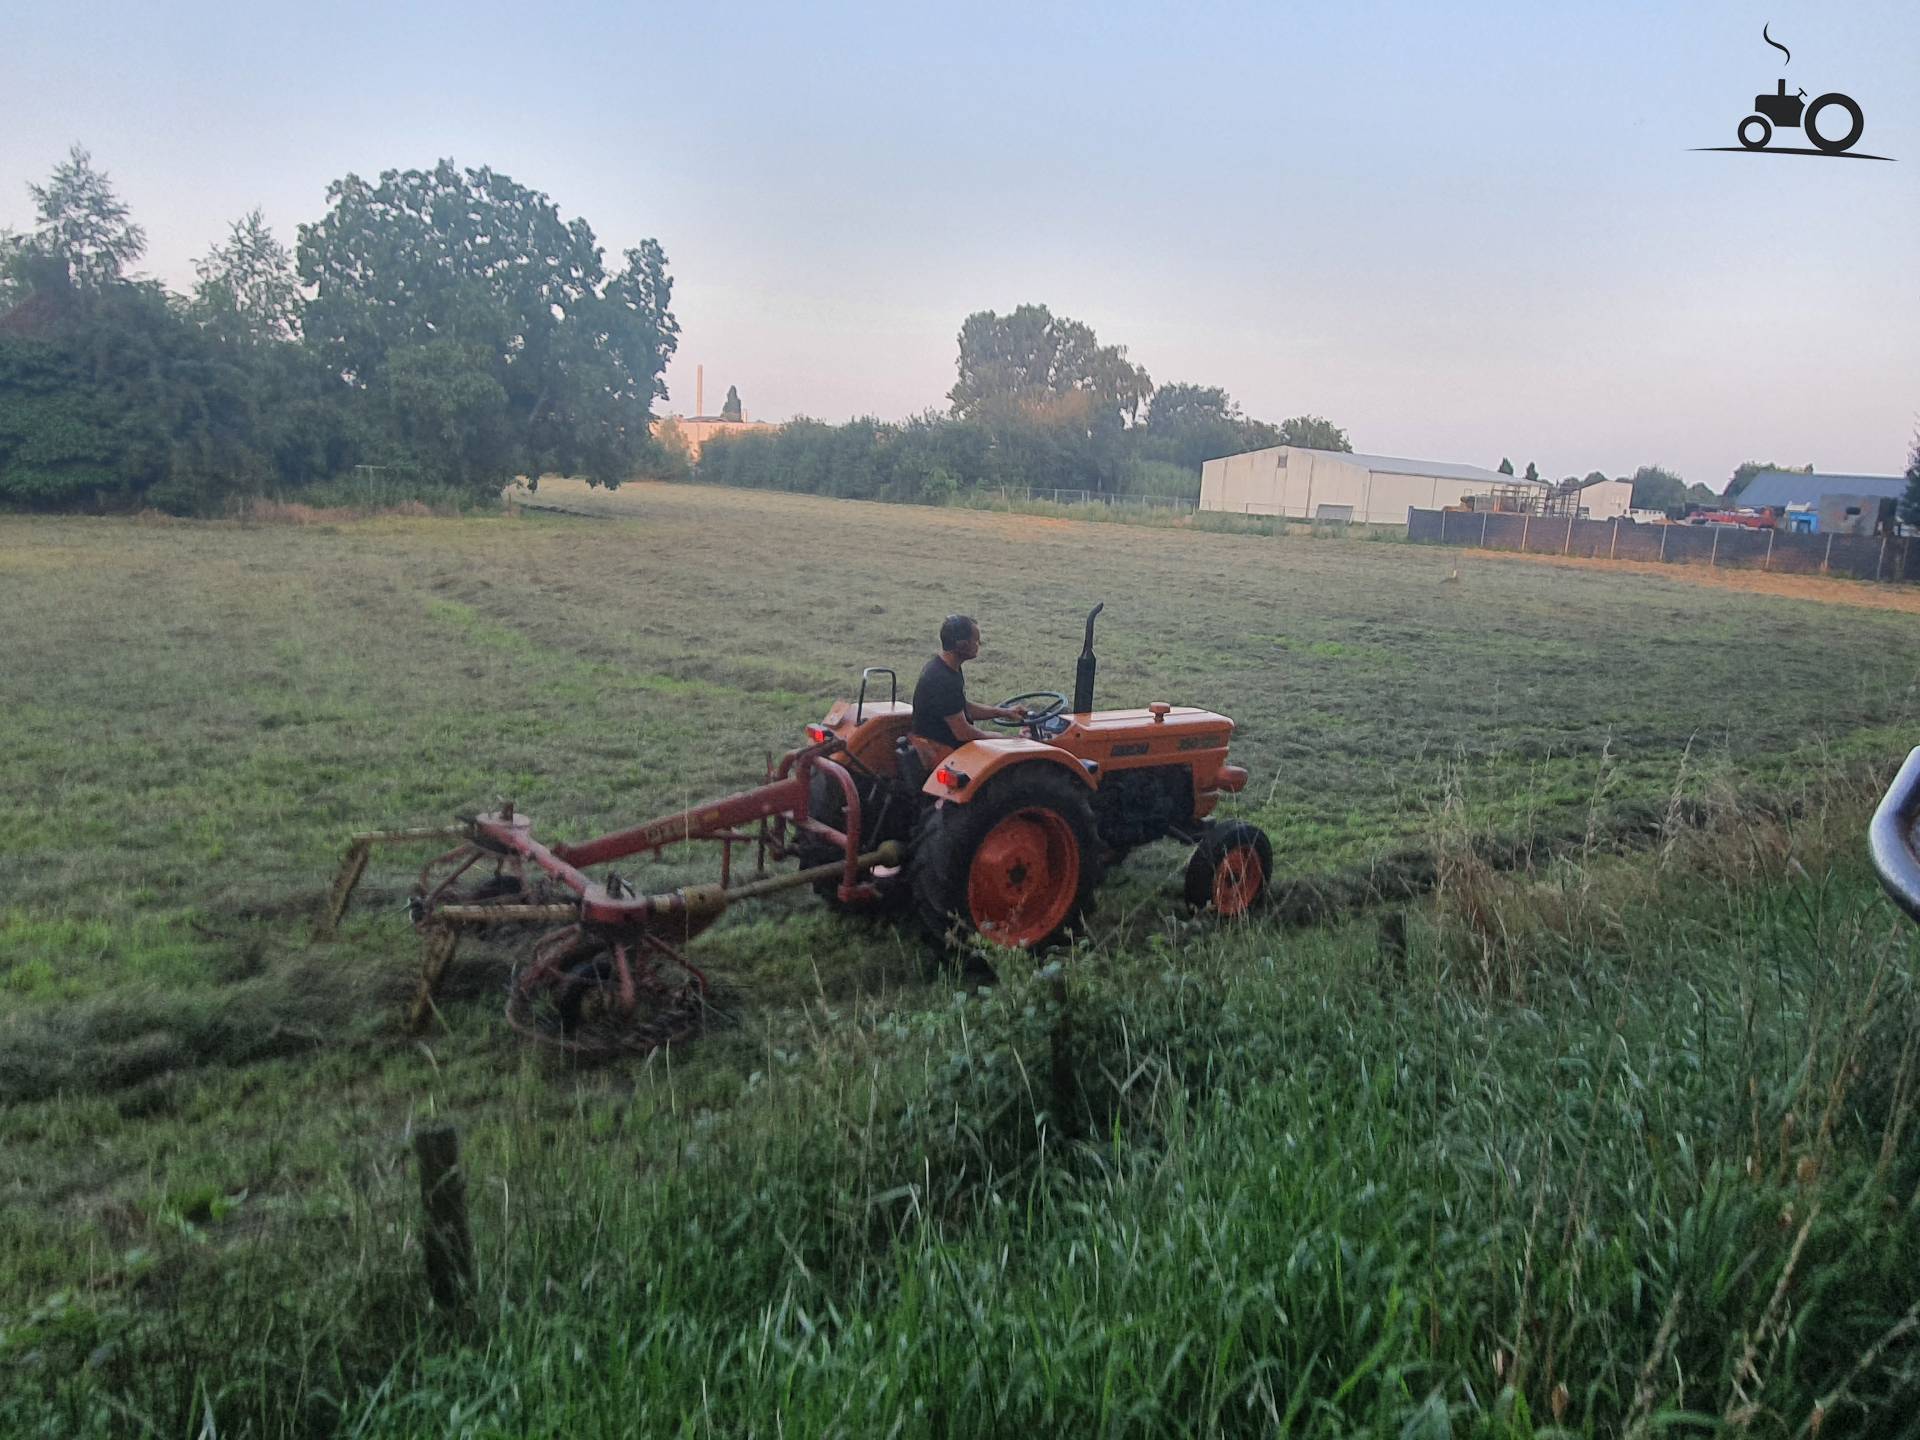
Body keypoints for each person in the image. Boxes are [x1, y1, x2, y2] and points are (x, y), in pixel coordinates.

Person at [910, 614, 1026, 758]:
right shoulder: (942, 679)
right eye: (976, 641)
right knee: (1013, 749)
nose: (979, 645)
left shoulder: (943, 667)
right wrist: (1001, 739)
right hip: (943, 748)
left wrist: (1003, 712)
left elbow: (962, 708)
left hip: (938, 739)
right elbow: (963, 733)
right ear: (962, 645)